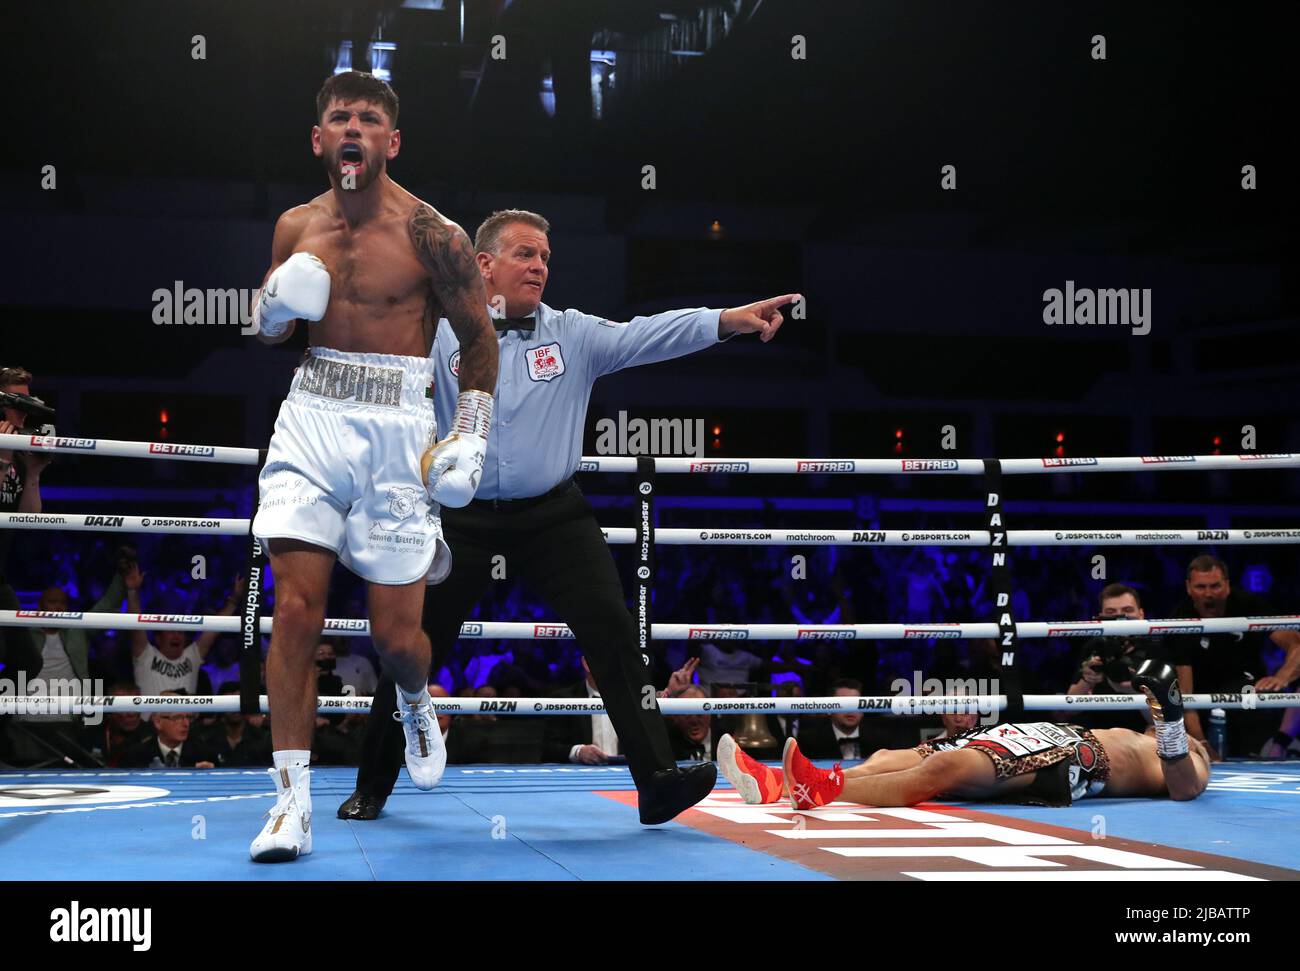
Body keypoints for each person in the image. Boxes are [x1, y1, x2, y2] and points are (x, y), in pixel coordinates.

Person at [338, 206, 798, 824]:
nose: (539, 267)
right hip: (459, 515)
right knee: (409, 647)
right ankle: (373, 784)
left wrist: (727, 321)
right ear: (484, 264)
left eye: (545, 258)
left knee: (613, 630)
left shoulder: (573, 334)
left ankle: (657, 779)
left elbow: (649, 333)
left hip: (553, 515)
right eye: (525, 254)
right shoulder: (439, 330)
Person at [246, 71, 499, 862]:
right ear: (319, 138)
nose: (351, 126)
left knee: (397, 639)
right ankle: (291, 803)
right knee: (295, 608)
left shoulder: (435, 233)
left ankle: (417, 698)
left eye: (368, 117)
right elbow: (269, 332)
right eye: (338, 115)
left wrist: (472, 432)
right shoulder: (294, 225)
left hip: (398, 426)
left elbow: (481, 338)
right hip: (312, 412)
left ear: (391, 141)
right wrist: (277, 307)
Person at [721, 662, 1208, 808]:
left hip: (1075, 757)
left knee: (943, 770)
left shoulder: (1184, 752)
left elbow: (1185, 787)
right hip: (1043, 733)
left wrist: (1172, 723)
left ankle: (822, 789)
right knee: (900, 752)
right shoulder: (1137, 727)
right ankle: (776, 784)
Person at [1166, 554, 1300, 757]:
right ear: (1188, 587)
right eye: (1201, 587)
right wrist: (1202, 744)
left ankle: (1278, 745)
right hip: (1204, 700)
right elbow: (1186, 694)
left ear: (1227, 586)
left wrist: (1282, 676)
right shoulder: (1181, 620)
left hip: (1248, 688)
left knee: (1253, 697)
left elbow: (1295, 643)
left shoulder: (1248, 604)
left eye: (1215, 586)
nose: (1208, 594)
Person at [0, 366, 53, 680]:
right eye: (18, 402)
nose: (26, 411)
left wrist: (33, 474)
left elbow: (30, 520)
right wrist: (2, 460)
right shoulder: (8, 450)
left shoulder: (18, 450)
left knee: (28, 663)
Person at [125, 561, 243, 697]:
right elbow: (135, 626)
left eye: (180, 632)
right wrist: (132, 591)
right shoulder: (146, 655)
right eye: (171, 632)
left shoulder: (191, 656)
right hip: (152, 718)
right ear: (158, 638)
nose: (176, 636)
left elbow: (214, 629)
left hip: (184, 718)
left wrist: (234, 599)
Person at [1064, 583, 1164, 733]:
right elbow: (1070, 710)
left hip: (1145, 737)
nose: (1120, 618)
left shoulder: (1155, 651)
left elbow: (1164, 722)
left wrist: (1134, 692)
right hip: (1100, 737)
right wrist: (1087, 680)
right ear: (1101, 617)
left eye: (1127, 610)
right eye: (1111, 612)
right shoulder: (1095, 647)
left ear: (1141, 614)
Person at [119, 694, 219, 769]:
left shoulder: (204, 754)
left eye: (188, 717)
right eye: (177, 718)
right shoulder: (136, 755)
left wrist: (209, 775)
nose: (186, 724)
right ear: (158, 722)